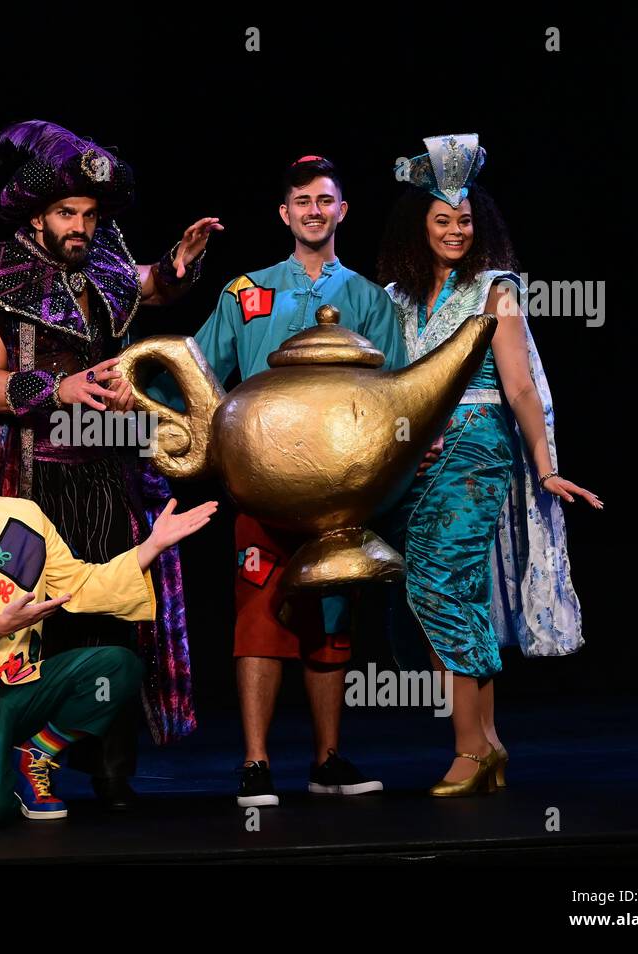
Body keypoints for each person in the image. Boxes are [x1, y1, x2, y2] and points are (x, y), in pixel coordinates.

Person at [0, 120, 221, 809]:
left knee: (121, 610)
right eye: (67, 213)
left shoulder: (100, 265)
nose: (80, 225)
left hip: (109, 470)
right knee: (46, 616)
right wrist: (55, 388)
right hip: (35, 472)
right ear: (37, 215)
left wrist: (179, 264)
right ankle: (31, 761)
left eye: (90, 215)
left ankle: (112, 772)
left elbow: (148, 285)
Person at [151, 155, 408, 807]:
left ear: (341, 211)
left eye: (326, 201)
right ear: (284, 213)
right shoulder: (246, 291)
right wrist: (134, 394)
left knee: (331, 617)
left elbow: (397, 396)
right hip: (262, 491)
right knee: (257, 617)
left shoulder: (370, 301)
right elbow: (199, 367)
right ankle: (256, 765)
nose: (314, 211)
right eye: (302, 201)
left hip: (340, 499)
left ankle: (327, 762)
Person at [0, 393, 217, 826]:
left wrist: (150, 547)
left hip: (22, 688)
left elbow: (81, 585)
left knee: (117, 668)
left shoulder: (23, 515)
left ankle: (30, 755)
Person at [377, 134, 601, 795]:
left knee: (439, 582)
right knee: (449, 589)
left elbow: (522, 386)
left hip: (479, 443)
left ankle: (471, 747)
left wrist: (546, 462)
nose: (454, 230)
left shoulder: (493, 289)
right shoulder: (395, 298)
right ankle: (488, 744)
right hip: (418, 451)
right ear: (421, 227)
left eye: (465, 220)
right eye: (442, 219)